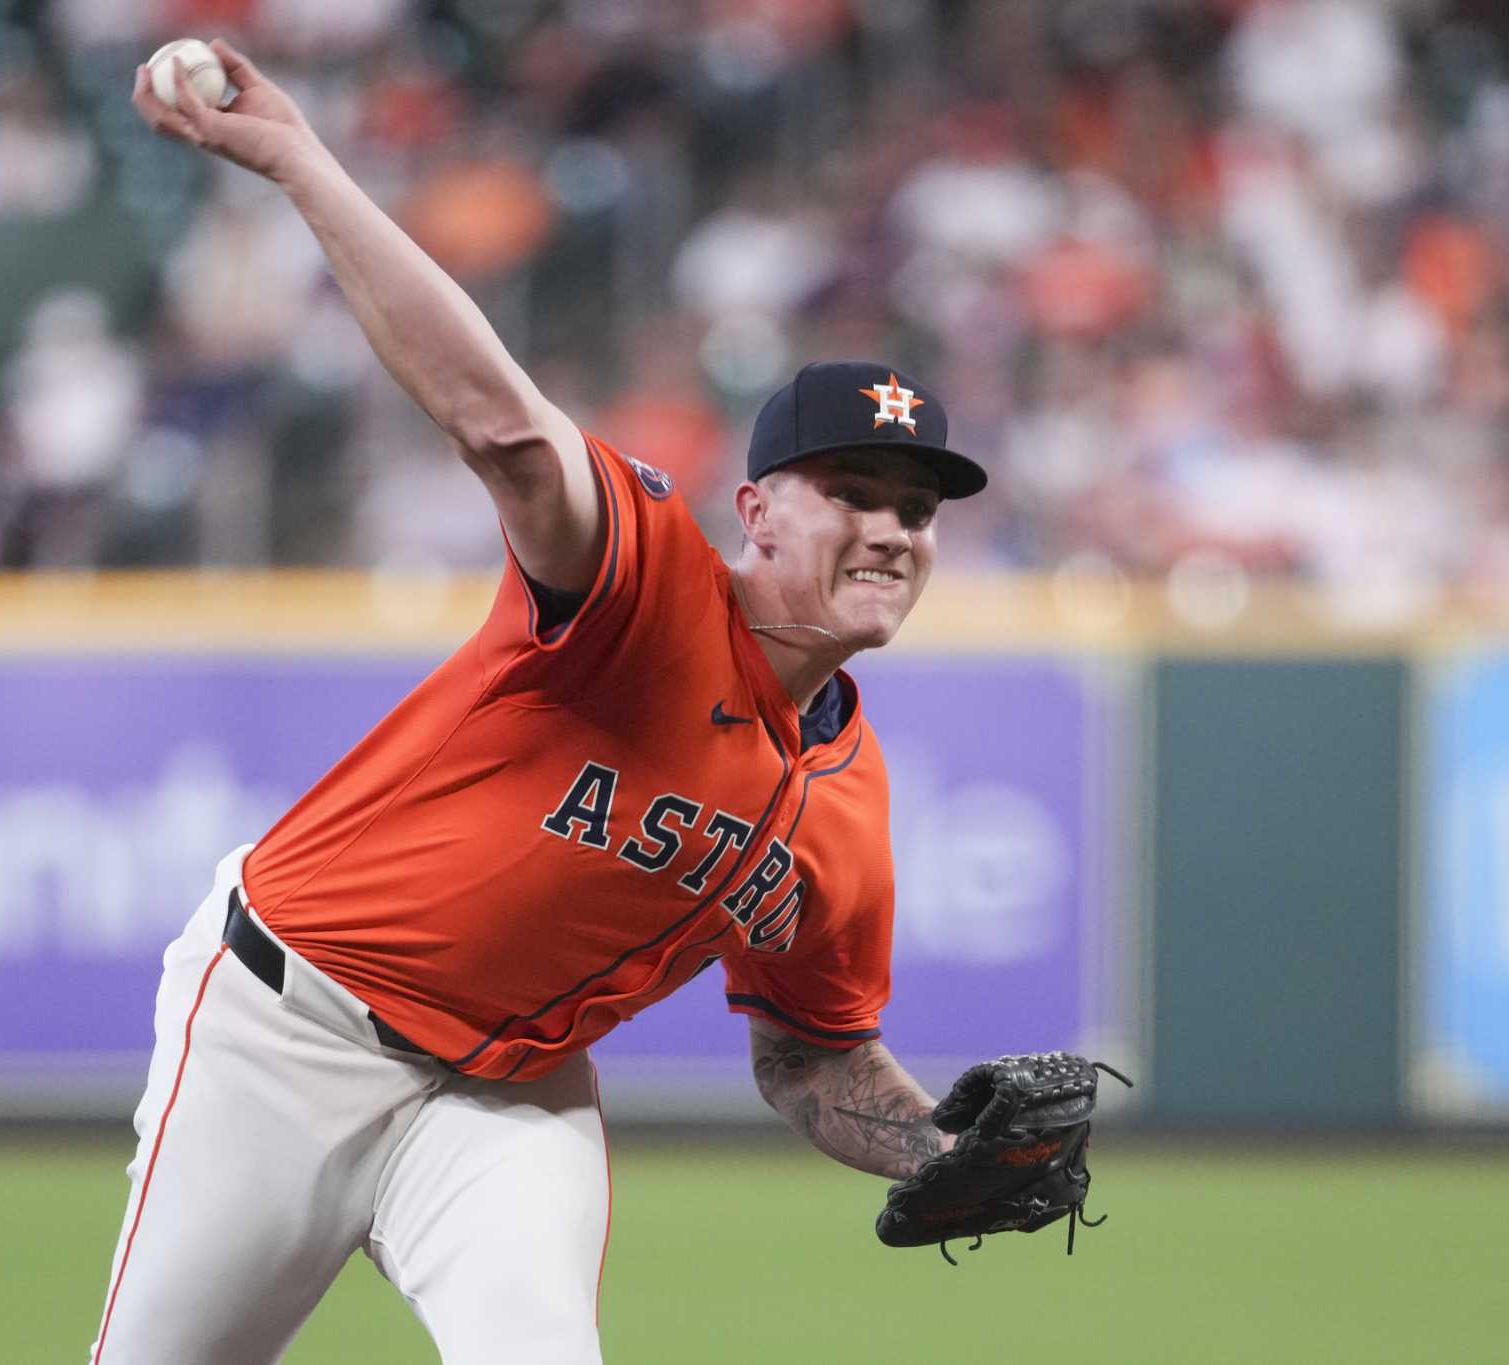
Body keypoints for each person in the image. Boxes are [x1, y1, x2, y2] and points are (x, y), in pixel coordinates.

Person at [93, 40, 990, 1365]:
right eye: (851, 493)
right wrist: (297, 161)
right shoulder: (645, 584)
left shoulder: (848, 806)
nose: (891, 531)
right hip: (287, 1027)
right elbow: (505, 430)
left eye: (915, 510)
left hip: (504, 1100)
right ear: (755, 511)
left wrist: (944, 1151)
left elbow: (811, 1055)